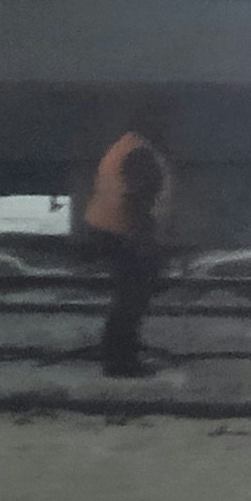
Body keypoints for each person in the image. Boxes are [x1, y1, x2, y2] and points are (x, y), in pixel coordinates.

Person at [78, 107, 175, 378]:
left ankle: (122, 350)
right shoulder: (140, 154)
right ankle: (120, 362)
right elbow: (137, 201)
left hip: (110, 228)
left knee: (129, 296)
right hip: (122, 231)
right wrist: (144, 241)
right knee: (132, 298)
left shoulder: (128, 145)